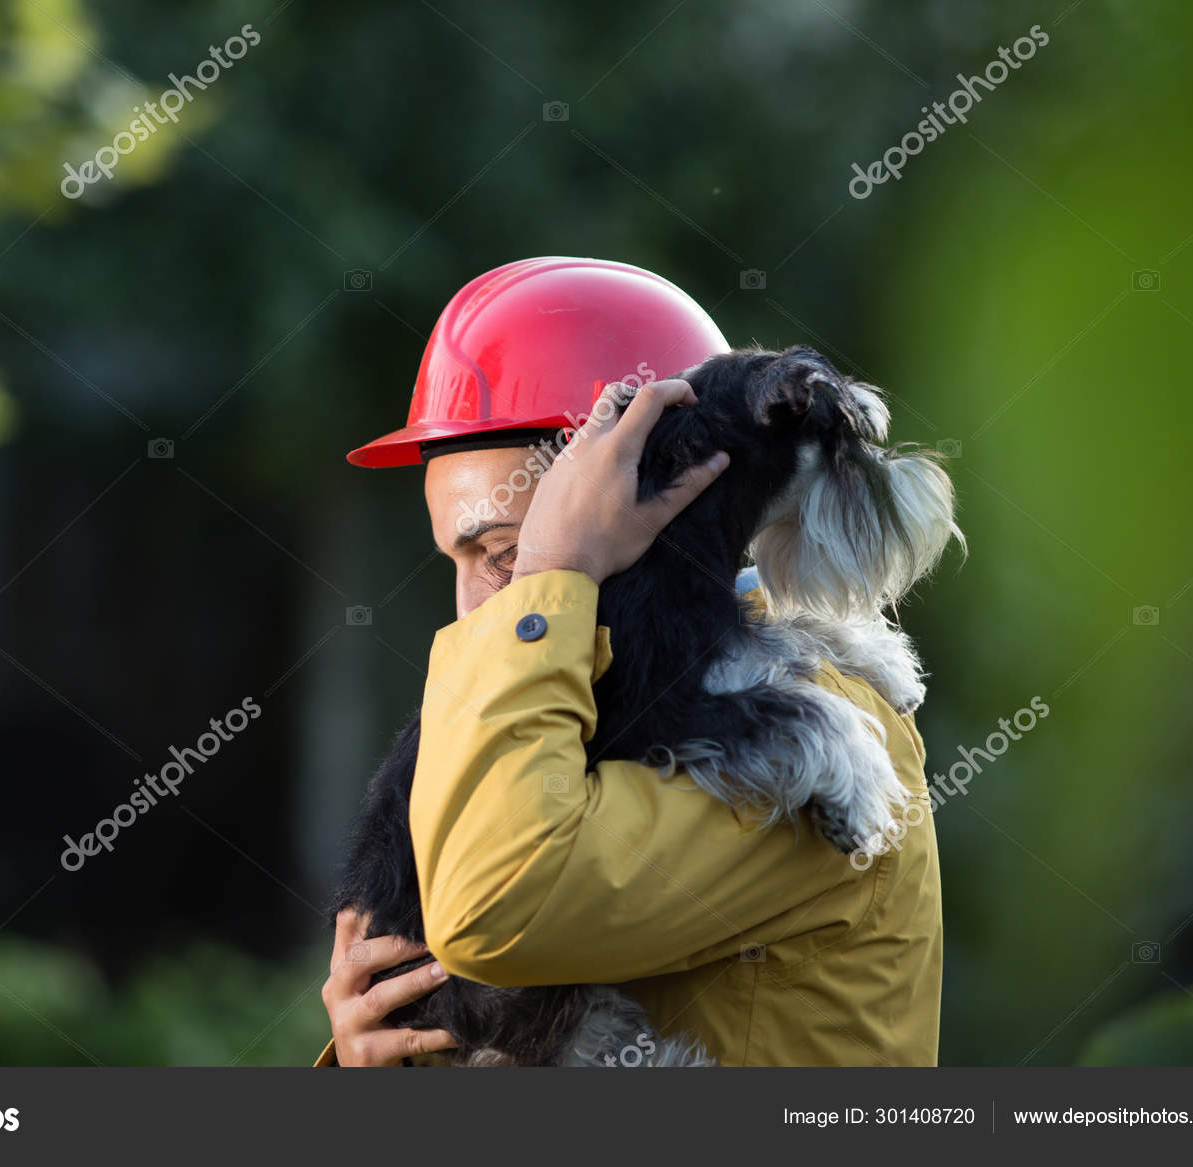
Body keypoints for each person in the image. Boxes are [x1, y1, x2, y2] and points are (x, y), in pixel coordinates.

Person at [317, 257, 940, 1066]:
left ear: (661, 495)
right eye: (459, 560)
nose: (476, 608)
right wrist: (383, 1056)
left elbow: (495, 909)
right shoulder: (580, 701)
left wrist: (551, 579)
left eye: (506, 552)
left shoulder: (810, 729)